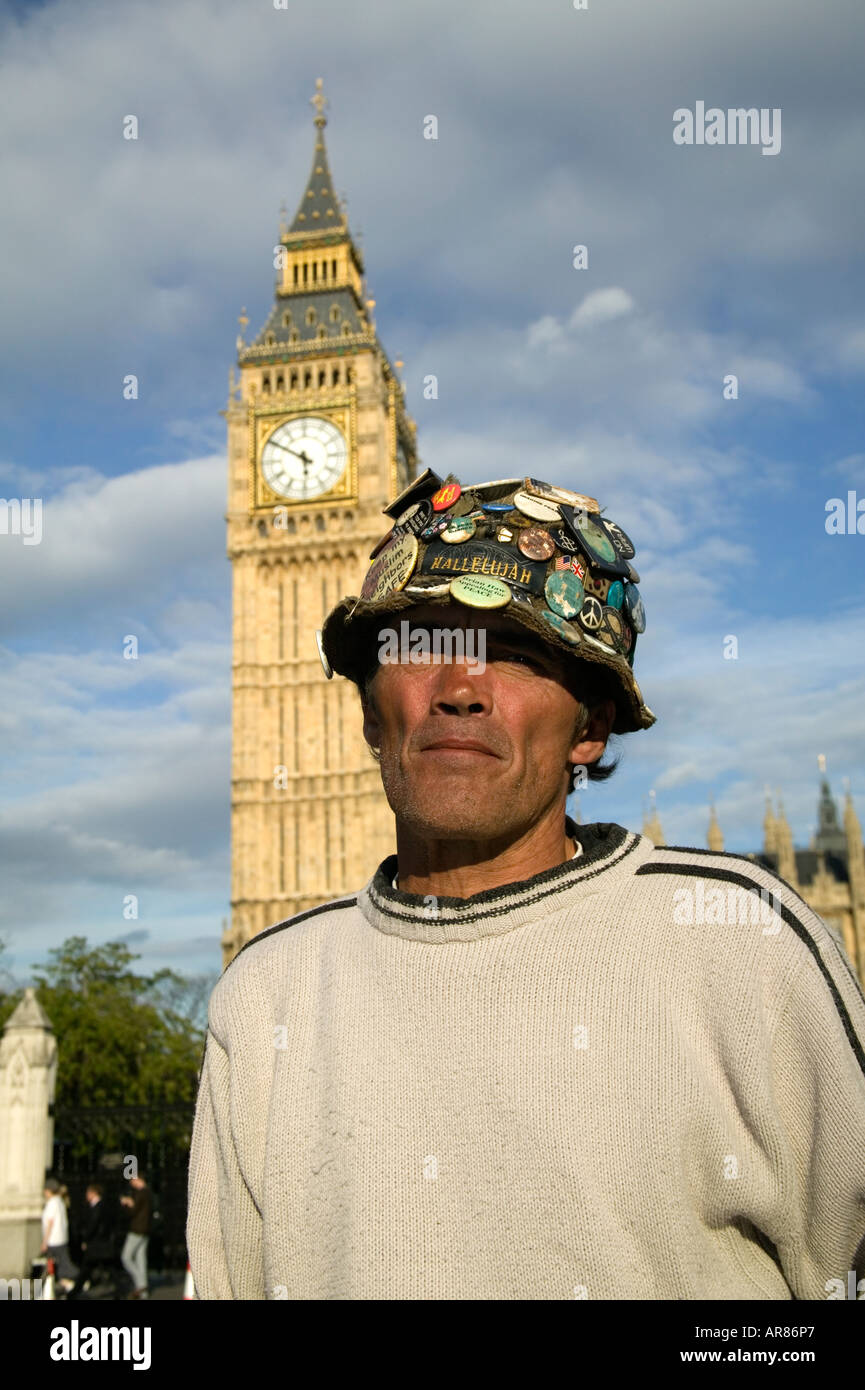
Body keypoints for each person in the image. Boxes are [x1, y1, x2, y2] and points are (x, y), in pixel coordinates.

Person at [187, 471, 865, 1300]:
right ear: (369, 714)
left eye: (512, 655)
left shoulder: (742, 946)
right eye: (420, 646)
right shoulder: (265, 996)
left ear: (591, 726)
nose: (461, 688)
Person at [66, 1181, 121, 1300]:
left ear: (93, 1193)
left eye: (88, 1192)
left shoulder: (98, 1207)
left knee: (88, 1268)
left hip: (97, 1243)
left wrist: (86, 1238)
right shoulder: (103, 1205)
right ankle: (118, 1291)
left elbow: (94, 1225)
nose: (86, 1195)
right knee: (107, 1268)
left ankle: (74, 1292)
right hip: (101, 1243)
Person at [40, 1177, 77, 1294]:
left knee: (59, 1264)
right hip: (61, 1238)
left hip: (53, 1240)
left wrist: (44, 1241)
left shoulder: (52, 1203)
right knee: (57, 1263)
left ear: (48, 1190)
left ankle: (71, 1282)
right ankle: (54, 1284)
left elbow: (50, 1223)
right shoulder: (60, 1201)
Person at [119, 1172, 152, 1299]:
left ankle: (141, 1284)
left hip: (137, 1229)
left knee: (126, 1257)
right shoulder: (148, 1192)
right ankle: (143, 1292)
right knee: (140, 1260)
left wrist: (127, 1203)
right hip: (146, 1229)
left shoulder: (140, 1193)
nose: (131, 1183)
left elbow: (133, 1211)